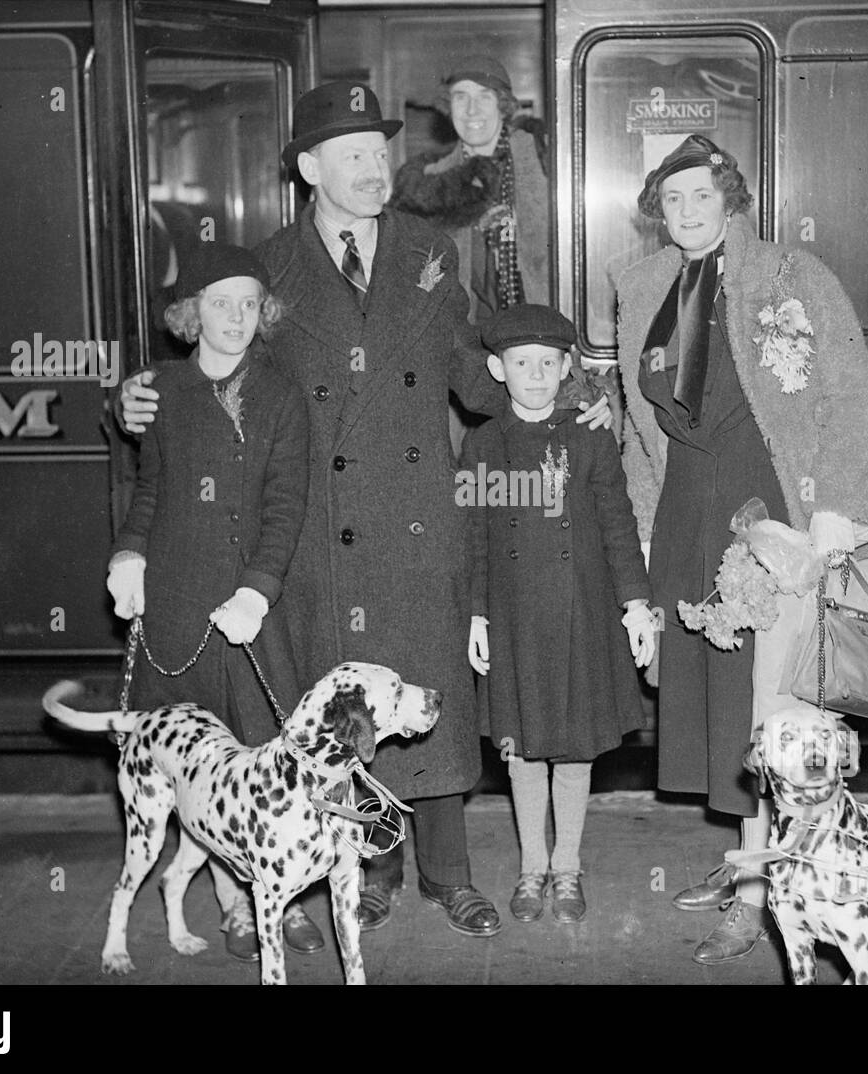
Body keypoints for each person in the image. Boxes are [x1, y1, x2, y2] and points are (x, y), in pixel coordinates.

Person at [120, 82, 613, 943]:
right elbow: (216, 371)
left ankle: (448, 874)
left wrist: (569, 397)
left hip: (421, 513)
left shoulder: (431, 248)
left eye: (380, 153)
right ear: (310, 168)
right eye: (354, 155)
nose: (375, 169)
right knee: (343, 707)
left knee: (433, 695)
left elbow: (475, 365)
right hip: (321, 527)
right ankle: (370, 869)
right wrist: (131, 400)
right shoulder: (268, 266)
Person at [616, 134, 868, 964]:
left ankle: (760, 899)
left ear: (732, 197)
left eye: (702, 196)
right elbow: (642, 433)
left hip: (772, 516)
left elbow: (854, 396)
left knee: (769, 711)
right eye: (671, 201)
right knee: (719, 703)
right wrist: (642, 529)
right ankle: (748, 865)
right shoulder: (642, 287)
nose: (687, 212)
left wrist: (834, 514)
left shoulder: (794, 276)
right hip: (686, 510)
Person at [107, 242, 311, 961]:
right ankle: (234, 904)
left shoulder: (283, 396)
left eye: (249, 303)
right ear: (191, 315)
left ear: (265, 313)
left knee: (259, 748)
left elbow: (287, 508)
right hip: (177, 603)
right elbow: (151, 492)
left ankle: (275, 894)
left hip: (253, 608)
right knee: (196, 765)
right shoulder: (161, 390)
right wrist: (130, 553)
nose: (235, 317)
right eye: (220, 303)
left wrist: (258, 591)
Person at [462, 304, 656, 924]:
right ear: (499, 368)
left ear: (567, 366)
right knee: (520, 748)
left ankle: (567, 869)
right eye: (522, 363)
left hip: (582, 612)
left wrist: (635, 604)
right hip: (514, 616)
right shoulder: (484, 443)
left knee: (574, 748)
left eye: (549, 362)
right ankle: (531, 868)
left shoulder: (590, 434)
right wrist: (475, 615)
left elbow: (617, 523)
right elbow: (473, 536)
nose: (537, 374)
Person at [391, 56, 551, 324]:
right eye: (461, 97)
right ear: (448, 106)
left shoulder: (543, 158)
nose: (471, 110)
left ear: (502, 104)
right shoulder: (432, 180)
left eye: (484, 96)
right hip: (468, 341)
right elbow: (422, 279)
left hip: (542, 333)